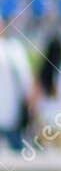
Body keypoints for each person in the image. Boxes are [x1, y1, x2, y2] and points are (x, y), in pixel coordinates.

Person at [0, 18, 33, 153]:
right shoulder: (15, 49)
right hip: (12, 115)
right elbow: (27, 82)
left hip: (12, 114)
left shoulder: (14, 49)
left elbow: (26, 81)